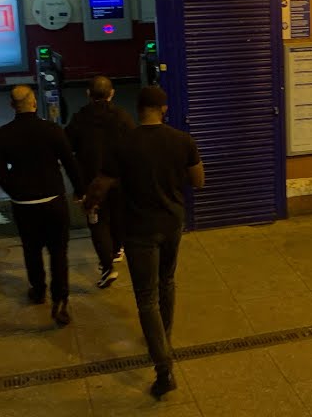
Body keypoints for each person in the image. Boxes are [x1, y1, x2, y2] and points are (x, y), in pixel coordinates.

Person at [90, 85, 203, 399]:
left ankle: (164, 368)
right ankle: (164, 337)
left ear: (138, 109)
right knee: (167, 281)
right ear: (164, 109)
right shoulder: (183, 140)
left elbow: (102, 184)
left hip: (138, 229)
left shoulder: (123, 143)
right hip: (172, 223)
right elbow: (199, 180)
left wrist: (90, 202)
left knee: (146, 297)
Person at [0, 85, 82, 327]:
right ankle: (60, 298)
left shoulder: (3, 134)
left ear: (12, 106)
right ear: (34, 102)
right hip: (53, 201)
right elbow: (70, 162)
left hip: (24, 204)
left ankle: (38, 289)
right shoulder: (52, 130)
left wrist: (15, 192)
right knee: (58, 252)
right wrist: (80, 190)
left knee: (31, 249)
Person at [66, 75, 136, 289]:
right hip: (119, 179)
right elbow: (134, 147)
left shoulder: (79, 118)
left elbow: (68, 148)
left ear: (88, 94)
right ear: (112, 93)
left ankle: (107, 267)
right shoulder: (123, 117)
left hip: (93, 182)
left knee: (98, 223)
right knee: (117, 215)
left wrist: (78, 186)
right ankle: (117, 249)